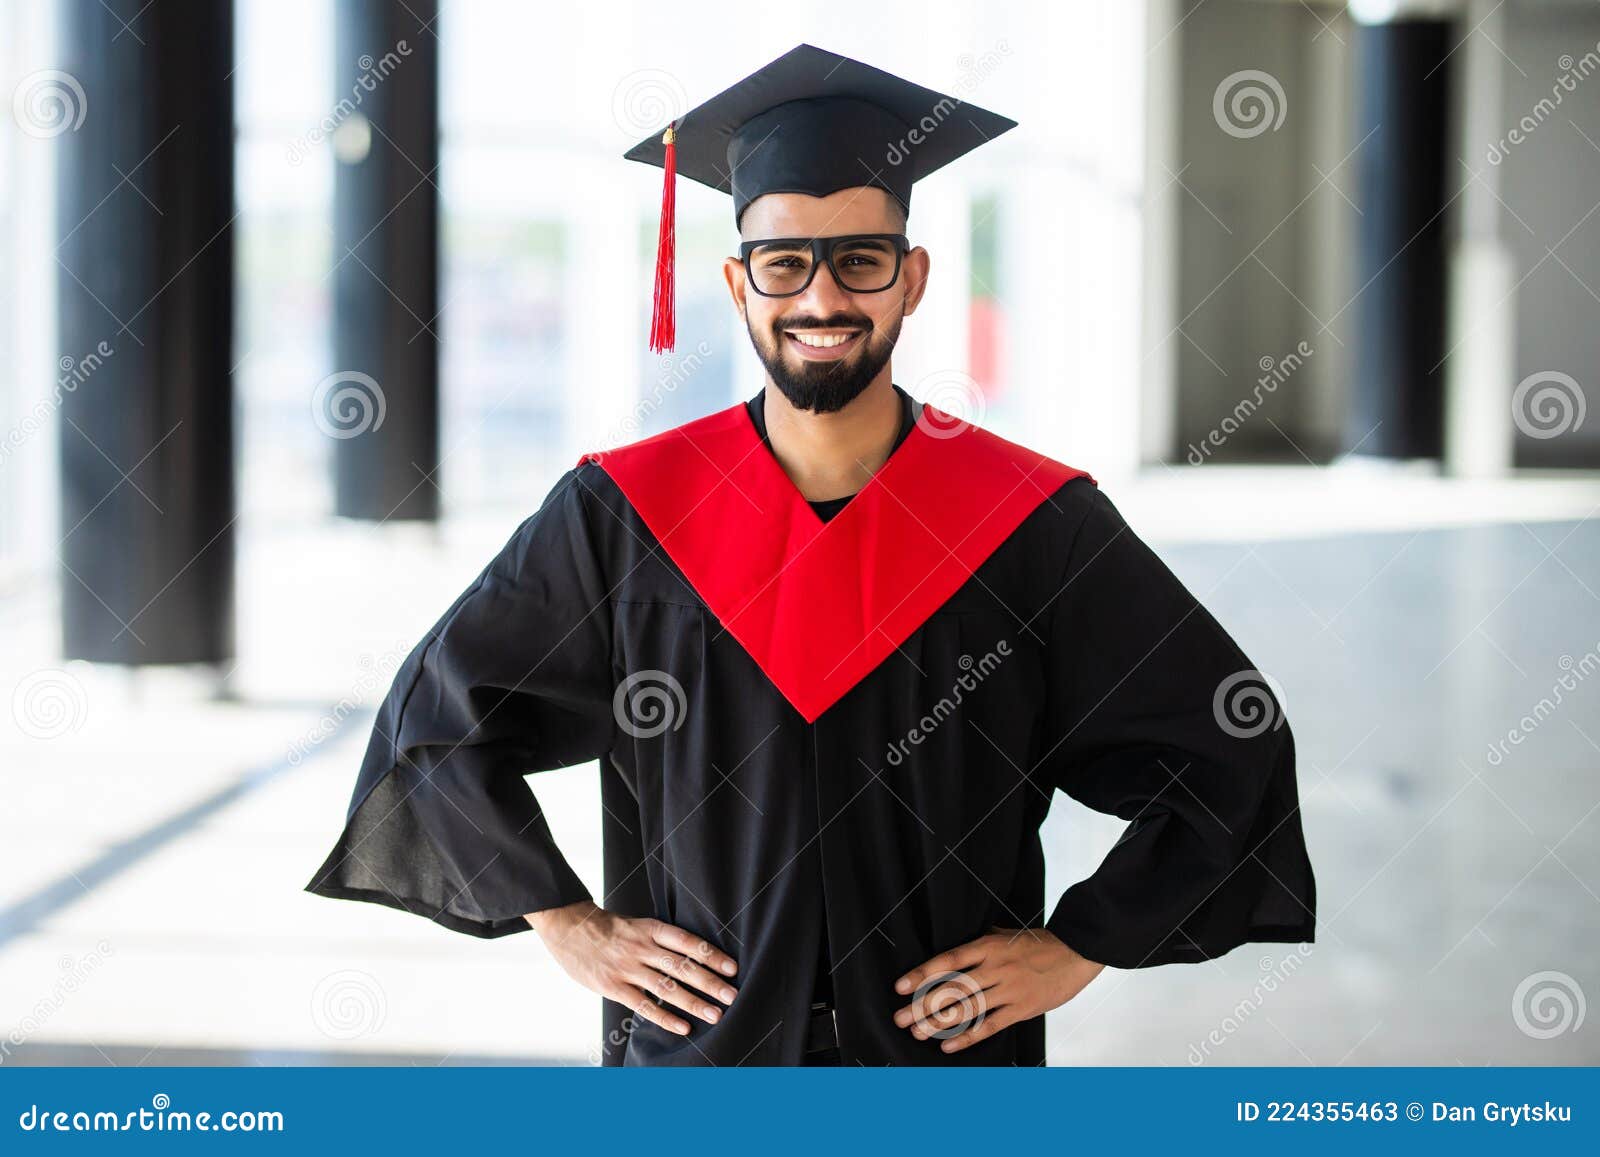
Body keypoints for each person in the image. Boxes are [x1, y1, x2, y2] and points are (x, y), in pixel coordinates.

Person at [305, 43, 1316, 1067]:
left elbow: (1227, 740)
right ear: (737, 283)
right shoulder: (626, 514)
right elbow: (440, 720)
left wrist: (1079, 945)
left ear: (912, 279)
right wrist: (569, 922)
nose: (821, 299)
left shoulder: (1031, 521)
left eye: (860, 260)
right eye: (784, 263)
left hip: (948, 1066)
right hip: (701, 1064)